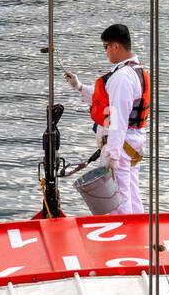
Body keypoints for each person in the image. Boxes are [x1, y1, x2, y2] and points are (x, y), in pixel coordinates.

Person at [63, 24, 150, 215]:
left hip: (120, 146)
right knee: (132, 193)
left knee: (118, 199)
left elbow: (118, 119)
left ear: (116, 46)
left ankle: (124, 237)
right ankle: (138, 230)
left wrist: (112, 155)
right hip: (132, 144)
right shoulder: (137, 71)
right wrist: (79, 86)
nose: (106, 52)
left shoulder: (122, 77)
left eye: (106, 47)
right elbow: (108, 99)